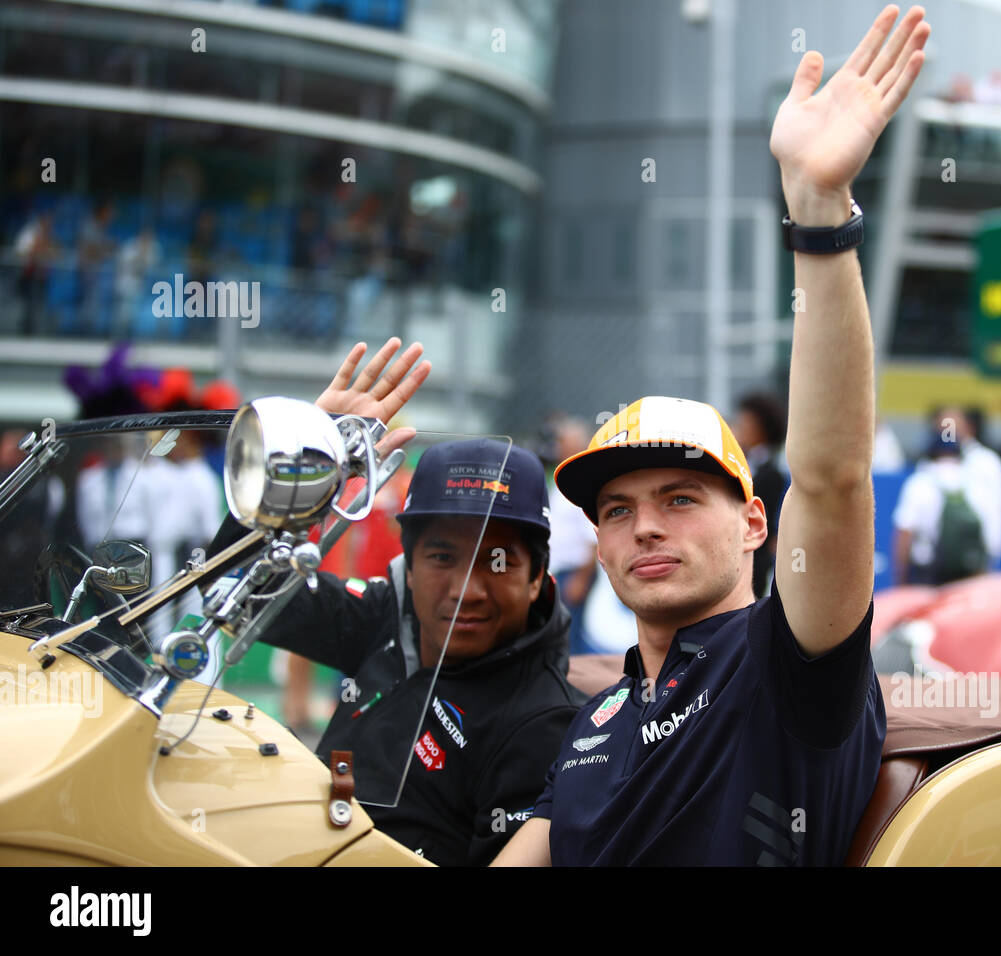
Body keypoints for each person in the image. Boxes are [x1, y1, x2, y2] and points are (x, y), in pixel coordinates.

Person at [492, 4, 929, 866]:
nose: (642, 527)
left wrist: (818, 212)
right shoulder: (596, 721)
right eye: (615, 510)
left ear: (756, 524)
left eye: (681, 498)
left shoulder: (786, 660)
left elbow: (835, 476)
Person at [208, 339, 586, 864]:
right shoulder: (387, 615)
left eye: (497, 561)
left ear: (537, 576)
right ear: (409, 566)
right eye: (441, 557)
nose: (466, 589)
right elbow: (236, 592)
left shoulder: (541, 724)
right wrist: (308, 461)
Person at [892, 433, 987, 586]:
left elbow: (904, 532)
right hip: (966, 576)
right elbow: (986, 537)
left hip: (926, 576)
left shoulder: (919, 483)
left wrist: (901, 580)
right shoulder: (975, 485)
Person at [542, 416, 599, 654]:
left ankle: (580, 681)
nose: (558, 446)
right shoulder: (560, 480)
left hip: (574, 573)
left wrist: (582, 578)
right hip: (560, 572)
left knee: (572, 636)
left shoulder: (580, 483)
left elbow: (593, 537)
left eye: (563, 441)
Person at [935, 404, 1001, 568]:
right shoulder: (932, 465)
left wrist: (992, 548)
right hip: (940, 557)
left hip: (978, 553)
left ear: (968, 427)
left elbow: (996, 508)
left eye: (951, 426)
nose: (947, 432)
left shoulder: (986, 461)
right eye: (943, 428)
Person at [732, 392, 789, 597]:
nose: (738, 429)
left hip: (757, 557)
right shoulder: (742, 462)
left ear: (761, 427)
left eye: (745, 423)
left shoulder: (771, 472)